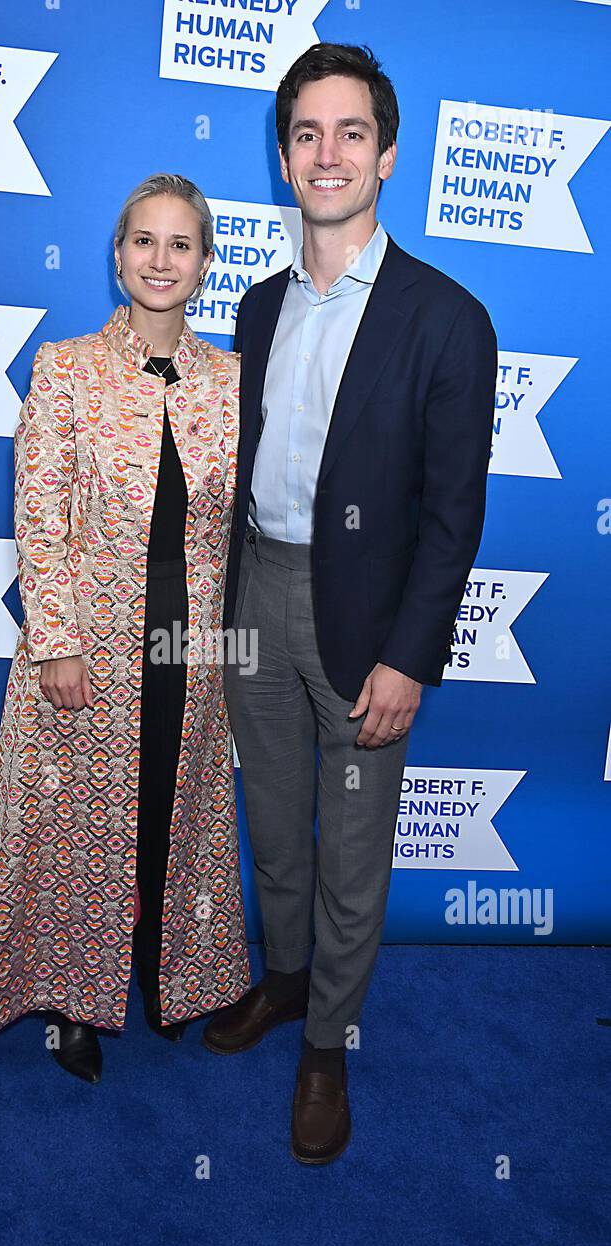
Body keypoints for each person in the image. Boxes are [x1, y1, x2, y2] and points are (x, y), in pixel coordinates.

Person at [204, 43, 498, 1164]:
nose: (328, 155)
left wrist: (411, 656)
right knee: (274, 826)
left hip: (367, 622)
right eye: (307, 135)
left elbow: (451, 516)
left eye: (351, 134)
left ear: (385, 156)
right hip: (255, 602)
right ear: (284, 160)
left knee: (354, 846)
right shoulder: (259, 302)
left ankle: (327, 1041)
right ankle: (284, 983)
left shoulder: (447, 318)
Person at [0, 173, 251, 1082]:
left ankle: (169, 981)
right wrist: (57, 639)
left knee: (174, 806)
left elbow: (250, 523)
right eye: (142, 242)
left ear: (204, 264)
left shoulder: (234, 381)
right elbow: (38, 515)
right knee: (76, 822)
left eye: (181, 245)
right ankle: (71, 1000)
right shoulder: (67, 366)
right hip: (85, 636)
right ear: (117, 255)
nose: (160, 261)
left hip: (191, 638)